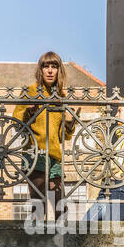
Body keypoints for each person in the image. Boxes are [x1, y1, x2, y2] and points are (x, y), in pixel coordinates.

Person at [12, 52, 74, 218]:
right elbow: (16, 123)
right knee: (39, 206)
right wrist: (28, 112)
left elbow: (64, 136)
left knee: (61, 208)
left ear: (59, 71)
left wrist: (69, 122)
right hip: (34, 154)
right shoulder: (30, 91)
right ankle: (34, 243)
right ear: (40, 70)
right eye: (46, 66)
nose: (50, 71)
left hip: (54, 157)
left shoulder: (60, 97)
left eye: (54, 67)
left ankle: (61, 243)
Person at [83, 103, 124, 224]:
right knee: (85, 225)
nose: (116, 115)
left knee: (112, 229)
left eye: (120, 111)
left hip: (123, 185)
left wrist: (122, 175)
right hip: (110, 185)